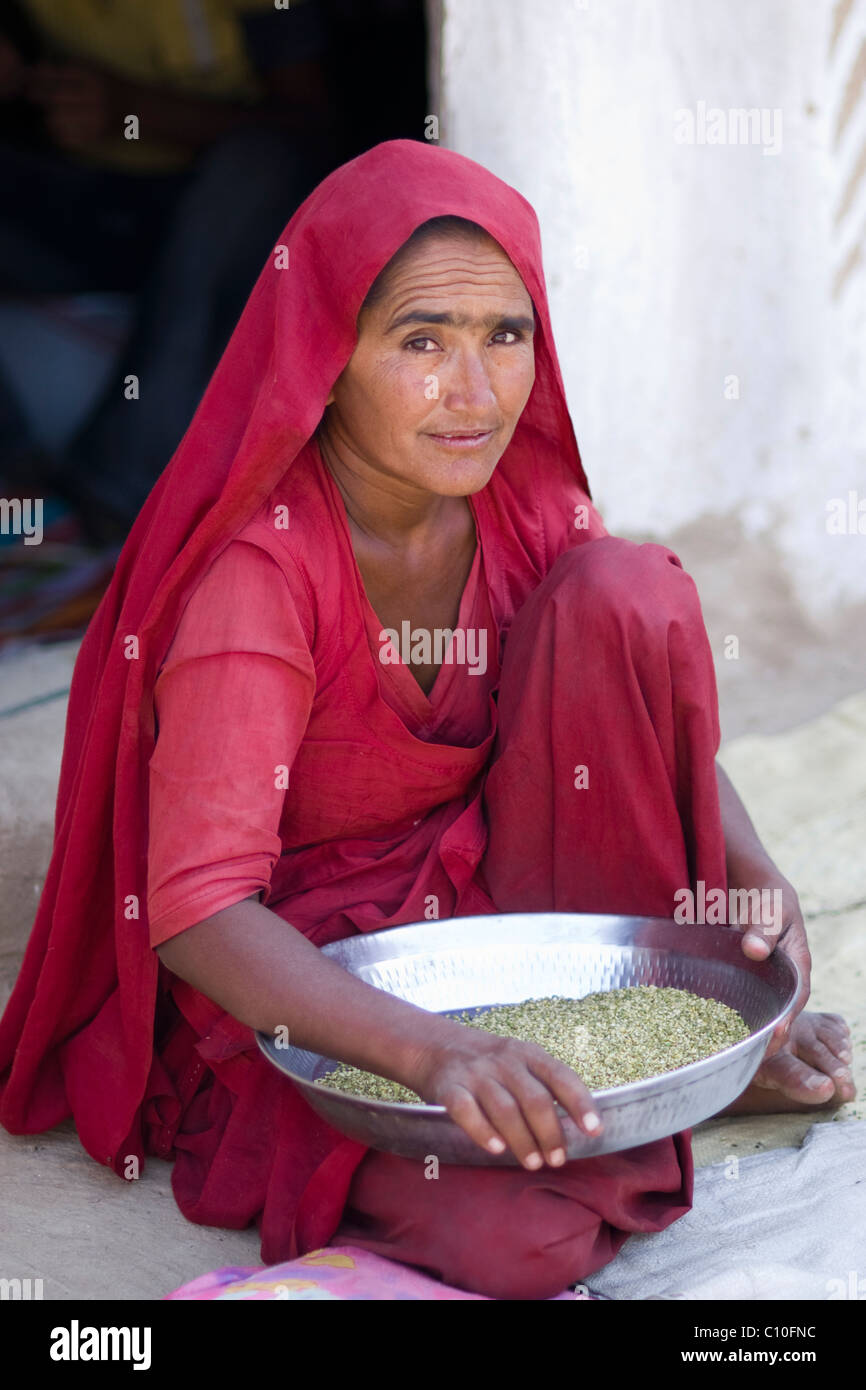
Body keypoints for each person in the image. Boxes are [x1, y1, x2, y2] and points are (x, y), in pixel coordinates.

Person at [0, 140, 854, 1300]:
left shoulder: (525, 505)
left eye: (505, 334)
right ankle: (602, 1105)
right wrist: (438, 1053)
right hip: (318, 980)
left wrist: (749, 885)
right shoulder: (263, 575)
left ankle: (668, 1065)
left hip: (505, 909)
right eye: (419, 340)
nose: (476, 389)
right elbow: (197, 913)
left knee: (625, 594)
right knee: (517, 1241)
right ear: (327, 355)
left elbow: (652, 733)